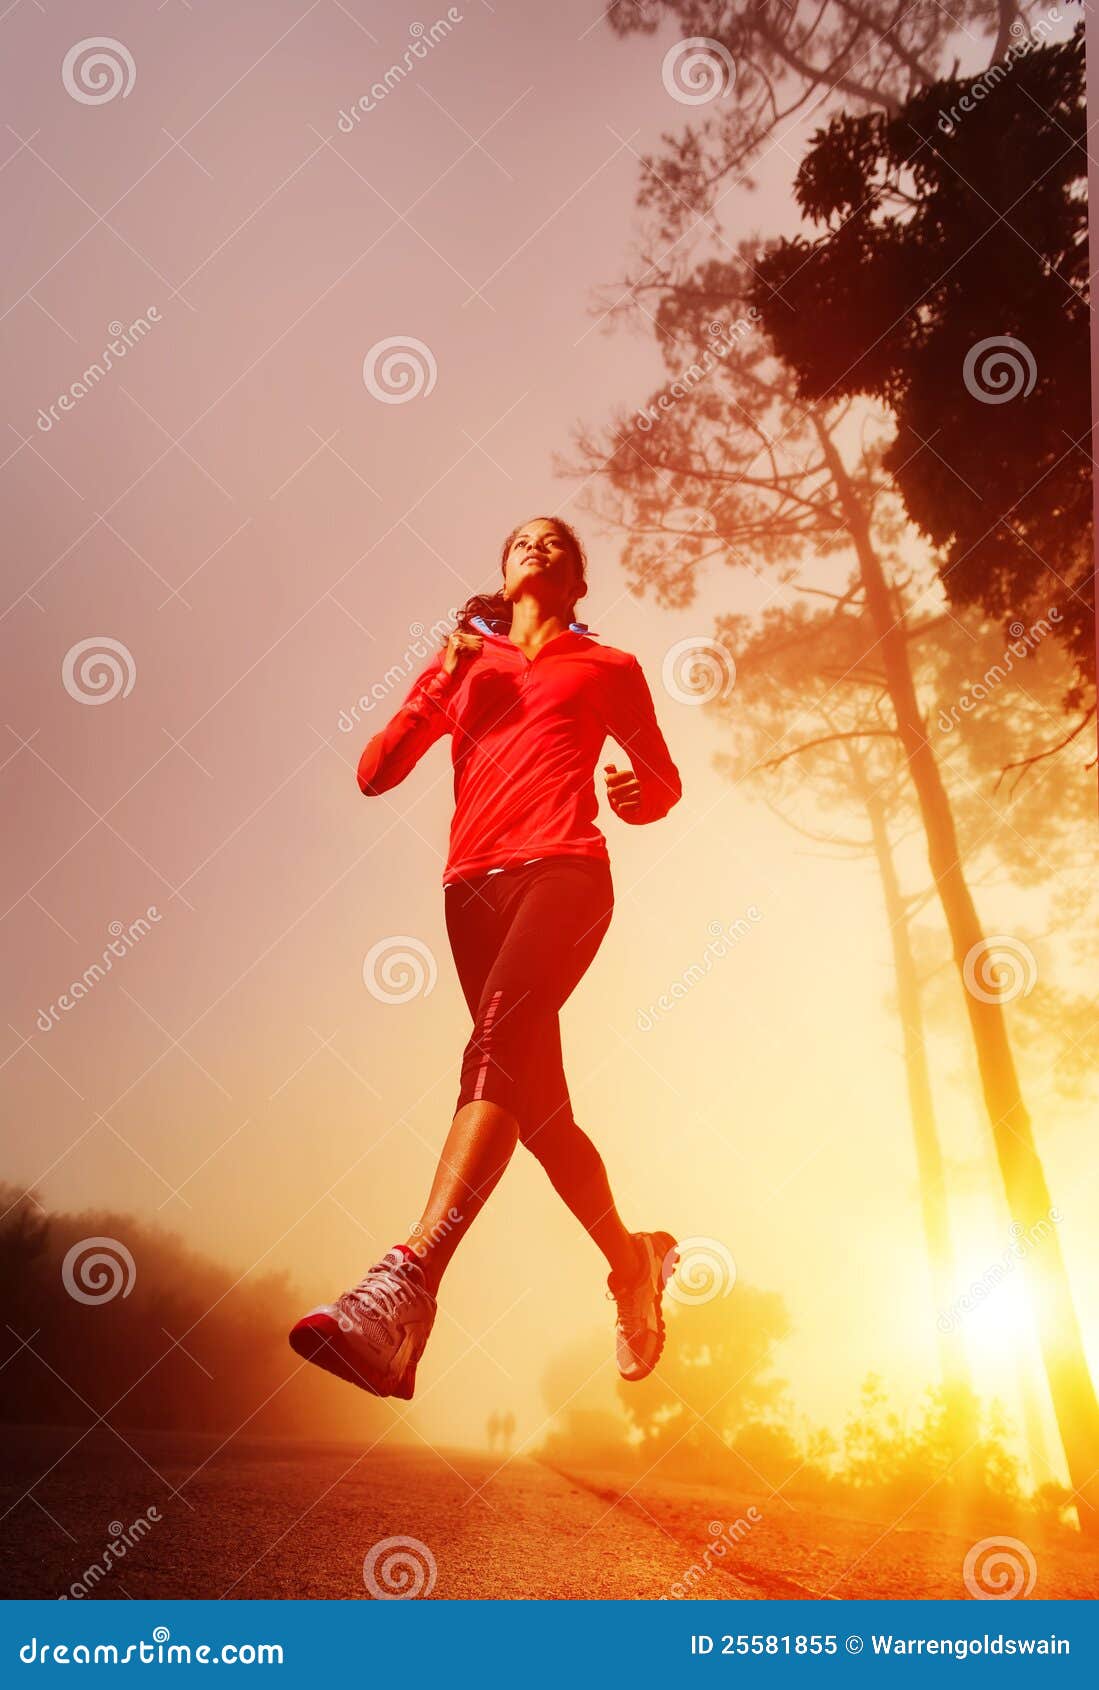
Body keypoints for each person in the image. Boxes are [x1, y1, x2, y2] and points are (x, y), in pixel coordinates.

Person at [290, 516, 682, 1400]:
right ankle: (633, 1265)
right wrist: (440, 677)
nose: (538, 547)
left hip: (568, 875)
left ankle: (408, 1283)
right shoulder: (467, 662)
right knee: (536, 1115)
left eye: (558, 543)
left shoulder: (609, 668)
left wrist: (637, 793)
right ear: (503, 575)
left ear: (578, 583)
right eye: (522, 541)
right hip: (469, 893)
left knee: (493, 1047)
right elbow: (374, 771)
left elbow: (661, 778)